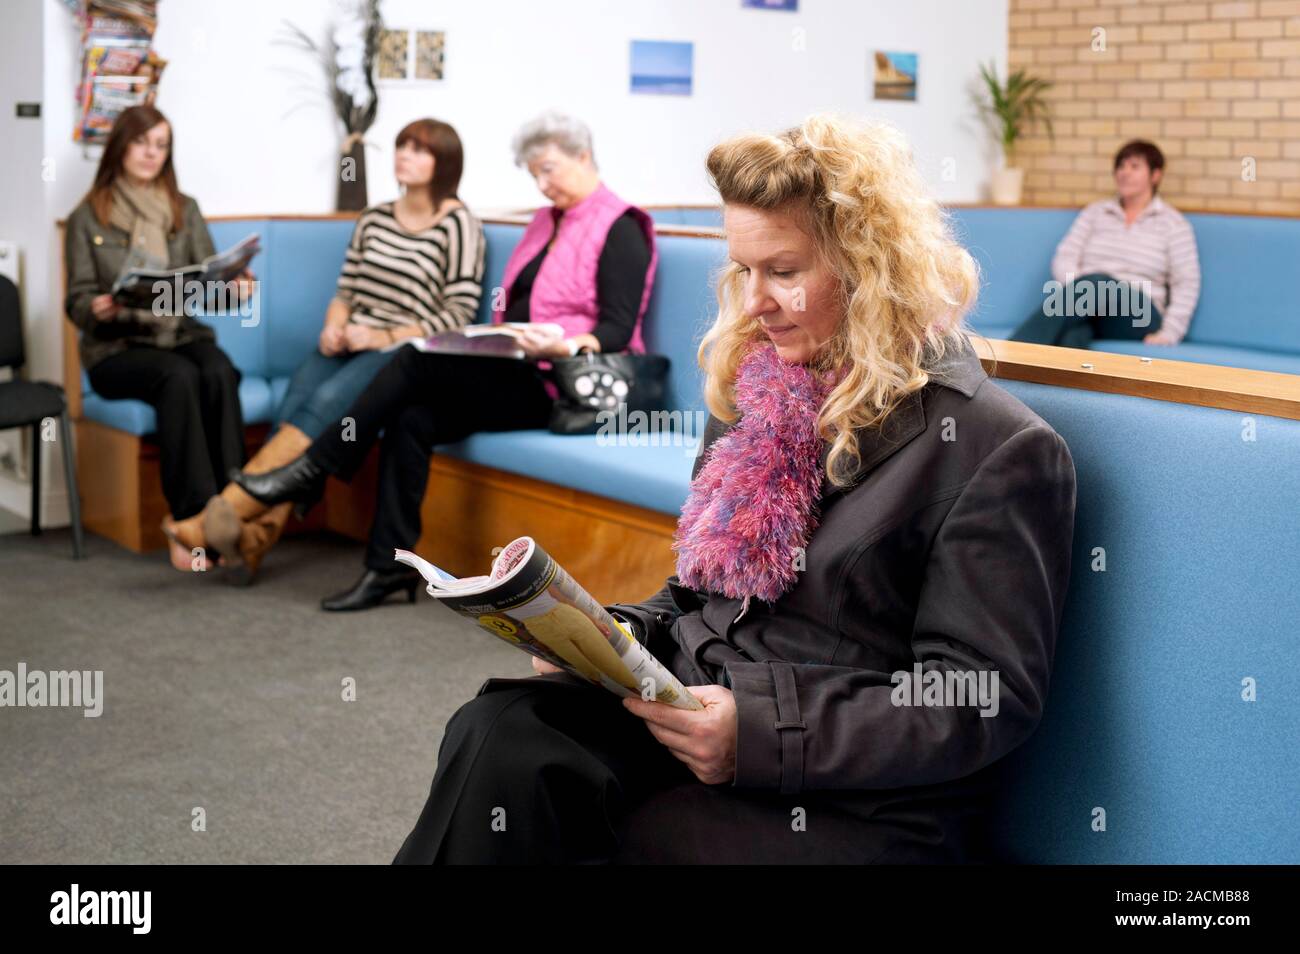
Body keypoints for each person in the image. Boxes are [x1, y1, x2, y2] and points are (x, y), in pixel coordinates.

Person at [389, 114, 1078, 864]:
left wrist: (759, 732)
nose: (753, 302)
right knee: (501, 731)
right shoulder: (761, 396)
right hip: (697, 720)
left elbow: (978, 697)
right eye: (744, 270)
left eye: (783, 271)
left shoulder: (995, 449)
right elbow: (695, 597)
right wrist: (591, 637)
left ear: (871, 268)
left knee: (609, 830)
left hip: (853, 798)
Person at [229, 112, 657, 610]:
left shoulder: (622, 225)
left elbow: (618, 328)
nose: (542, 185)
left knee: (414, 358)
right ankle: (387, 569)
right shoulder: (547, 220)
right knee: (412, 418)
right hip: (519, 368)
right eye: (534, 175)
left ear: (583, 156)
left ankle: (314, 468)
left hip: (567, 385)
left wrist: (560, 344)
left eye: (549, 170)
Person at [163, 118, 484, 583]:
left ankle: (209, 520)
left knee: (329, 407)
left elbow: (458, 314)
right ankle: (253, 540)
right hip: (348, 339)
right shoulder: (374, 217)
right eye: (401, 147)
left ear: (444, 163)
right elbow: (347, 289)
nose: (404, 156)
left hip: (403, 350)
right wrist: (334, 326)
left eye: (419, 150)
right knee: (295, 403)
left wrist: (381, 336)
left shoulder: (459, 224)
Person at [64, 105, 252, 572]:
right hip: (117, 347)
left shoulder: (183, 209)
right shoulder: (89, 215)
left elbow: (208, 289)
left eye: (161, 145)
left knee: (218, 368)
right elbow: (77, 301)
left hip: (179, 334)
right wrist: (98, 308)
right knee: (177, 377)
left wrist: (233, 290)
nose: (152, 153)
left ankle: (235, 511)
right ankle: (191, 523)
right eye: (143, 142)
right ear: (122, 147)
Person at [1009, 140, 1200, 349]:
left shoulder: (1174, 224)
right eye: (1120, 166)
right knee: (1074, 334)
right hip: (1091, 306)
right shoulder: (1095, 213)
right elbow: (1065, 257)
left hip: (1139, 313)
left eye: (1134, 167)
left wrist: (1169, 332)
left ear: (1155, 175)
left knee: (1098, 283)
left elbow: (1186, 283)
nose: (1124, 172)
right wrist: (1081, 295)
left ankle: (1011, 354)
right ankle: (1053, 381)